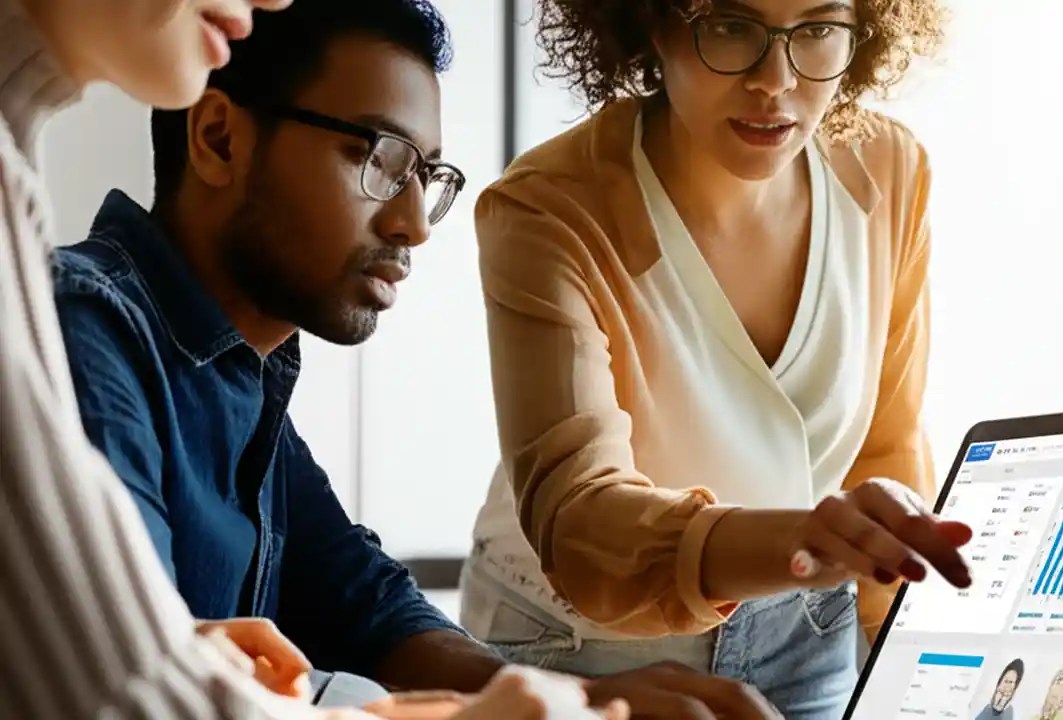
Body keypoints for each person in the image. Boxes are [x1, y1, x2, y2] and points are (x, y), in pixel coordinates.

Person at [48, 1, 775, 718]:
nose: (414, 225)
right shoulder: (85, 335)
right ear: (218, 139)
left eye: (428, 176)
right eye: (378, 159)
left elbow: (362, 600)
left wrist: (576, 698)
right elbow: (132, 684)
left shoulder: (243, 371)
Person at [459, 0, 970, 716]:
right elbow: (580, 522)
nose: (775, 80)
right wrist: (801, 539)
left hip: (807, 628)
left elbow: (888, 445)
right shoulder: (551, 210)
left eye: (818, 30)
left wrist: (918, 670)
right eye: (730, 26)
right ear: (651, 23)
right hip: (582, 645)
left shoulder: (886, 171)